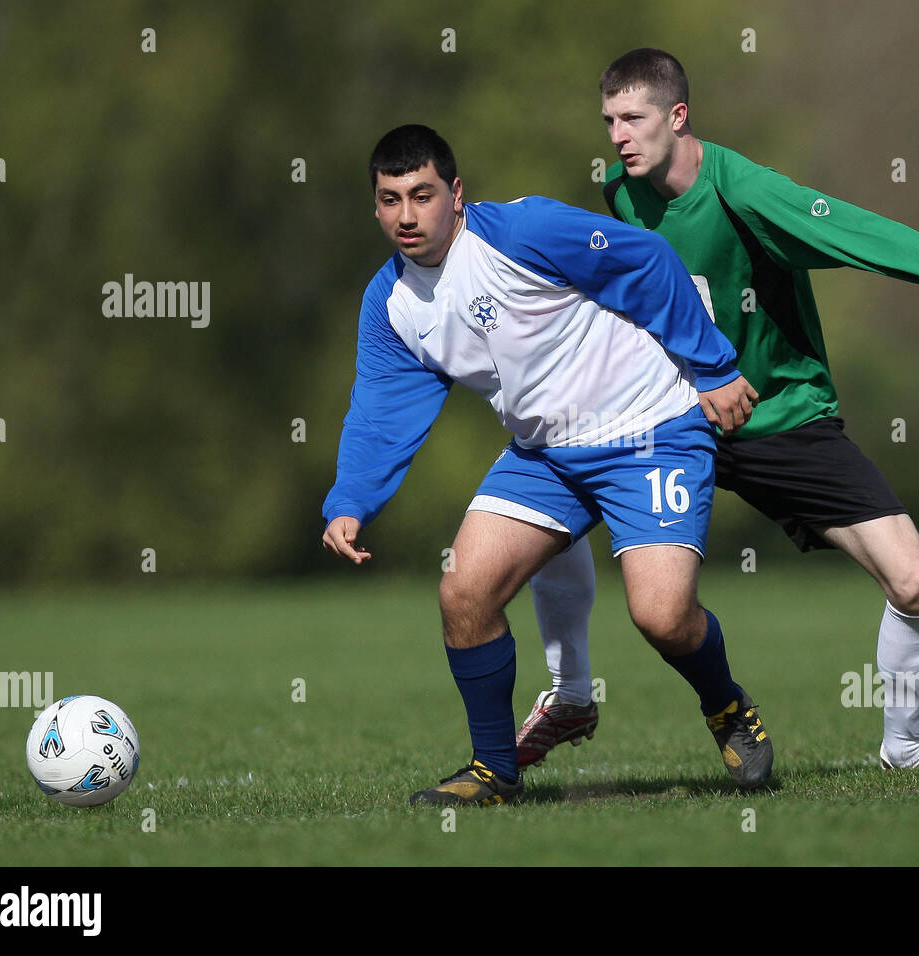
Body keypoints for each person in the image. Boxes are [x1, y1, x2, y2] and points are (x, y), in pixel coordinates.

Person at [516, 48, 919, 773]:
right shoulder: (621, 192)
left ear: (678, 116)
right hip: (670, 415)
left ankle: (908, 748)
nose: (618, 136)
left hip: (777, 420)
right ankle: (569, 696)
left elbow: (864, 235)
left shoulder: (746, 191)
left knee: (917, 582)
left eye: (634, 118)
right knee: (546, 492)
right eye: (610, 121)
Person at [321, 124, 771, 806]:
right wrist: (350, 499)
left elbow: (645, 258)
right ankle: (494, 772)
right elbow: (382, 405)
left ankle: (726, 704)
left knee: (662, 617)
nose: (407, 216)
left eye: (422, 195)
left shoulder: (524, 232)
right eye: (390, 200)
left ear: (457, 194)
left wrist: (710, 366)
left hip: (649, 430)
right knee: (463, 594)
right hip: (546, 455)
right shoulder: (391, 305)